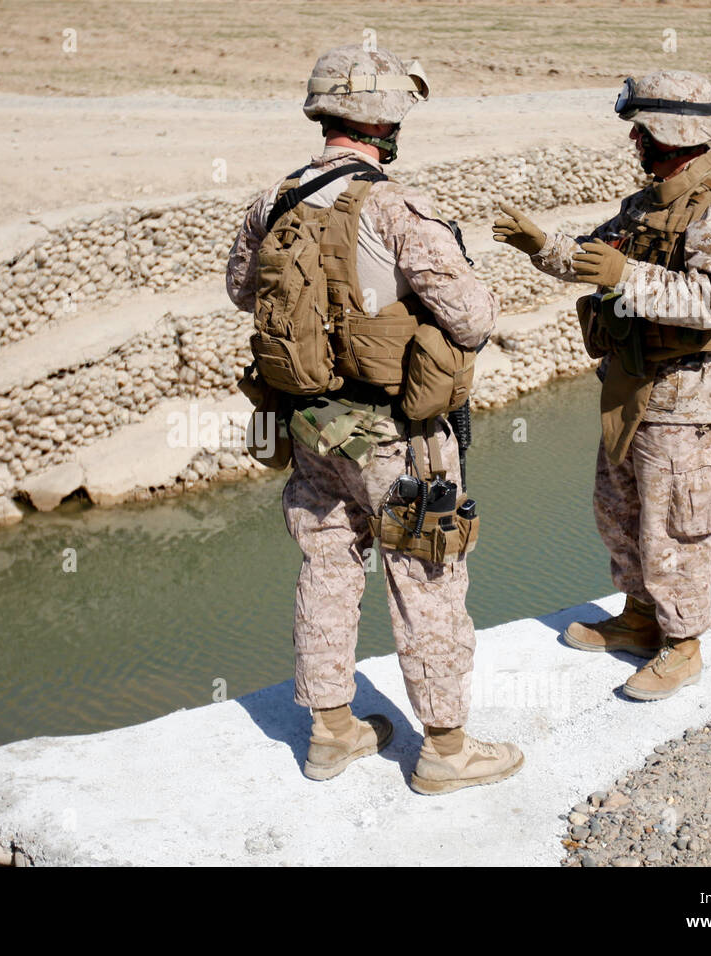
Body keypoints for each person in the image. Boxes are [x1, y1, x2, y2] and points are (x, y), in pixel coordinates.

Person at [226, 43, 523, 794]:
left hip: (311, 423)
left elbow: (241, 290)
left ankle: (330, 732)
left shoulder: (275, 200)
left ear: (323, 114)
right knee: (425, 574)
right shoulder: (393, 206)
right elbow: (474, 315)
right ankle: (448, 751)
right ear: (387, 122)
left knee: (327, 563)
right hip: (393, 435)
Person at [493, 70, 711, 701]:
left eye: (641, 131)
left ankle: (683, 642)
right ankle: (641, 618)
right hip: (631, 387)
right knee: (620, 512)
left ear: (672, 133)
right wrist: (542, 247)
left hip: (686, 396)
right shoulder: (653, 200)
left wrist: (625, 276)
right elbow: (599, 257)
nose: (635, 143)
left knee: (675, 525)